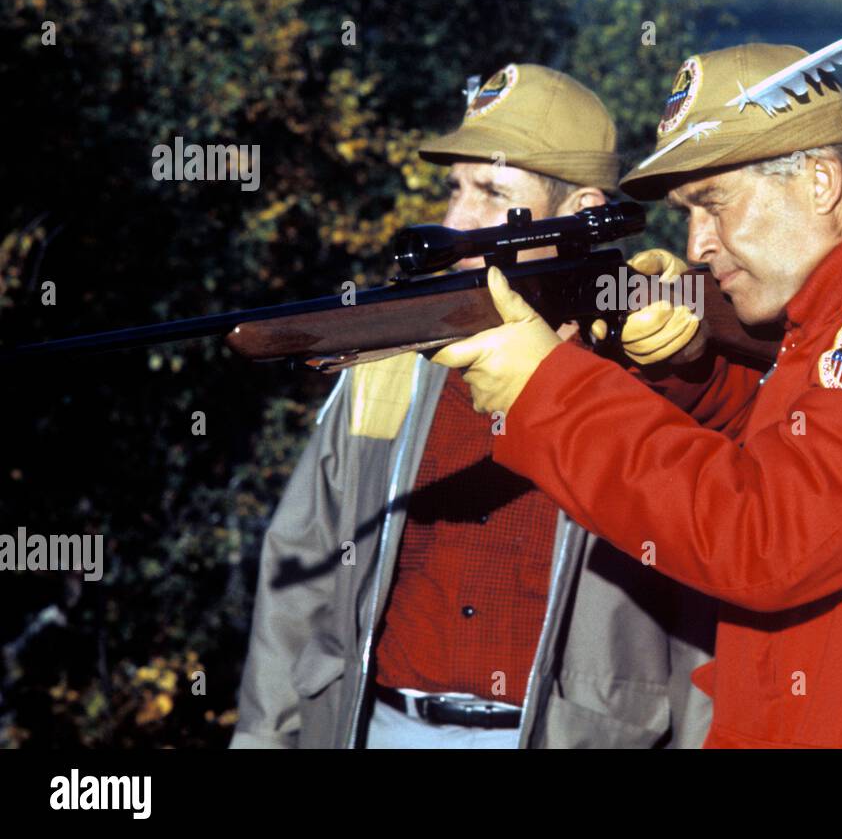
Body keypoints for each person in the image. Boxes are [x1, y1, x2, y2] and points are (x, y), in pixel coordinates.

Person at [432, 43, 842, 748]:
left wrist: (547, 394)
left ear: (819, 180)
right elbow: (824, 456)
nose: (698, 245)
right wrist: (689, 370)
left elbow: (762, 540)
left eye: (713, 205)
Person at [230, 64, 716, 749]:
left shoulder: (651, 371)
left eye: (491, 193)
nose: (454, 221)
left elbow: (704, 620)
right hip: (378, 728)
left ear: (581, 214)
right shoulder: (390, 364)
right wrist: (263, 740)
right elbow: (300, 568)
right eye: (454, 189)